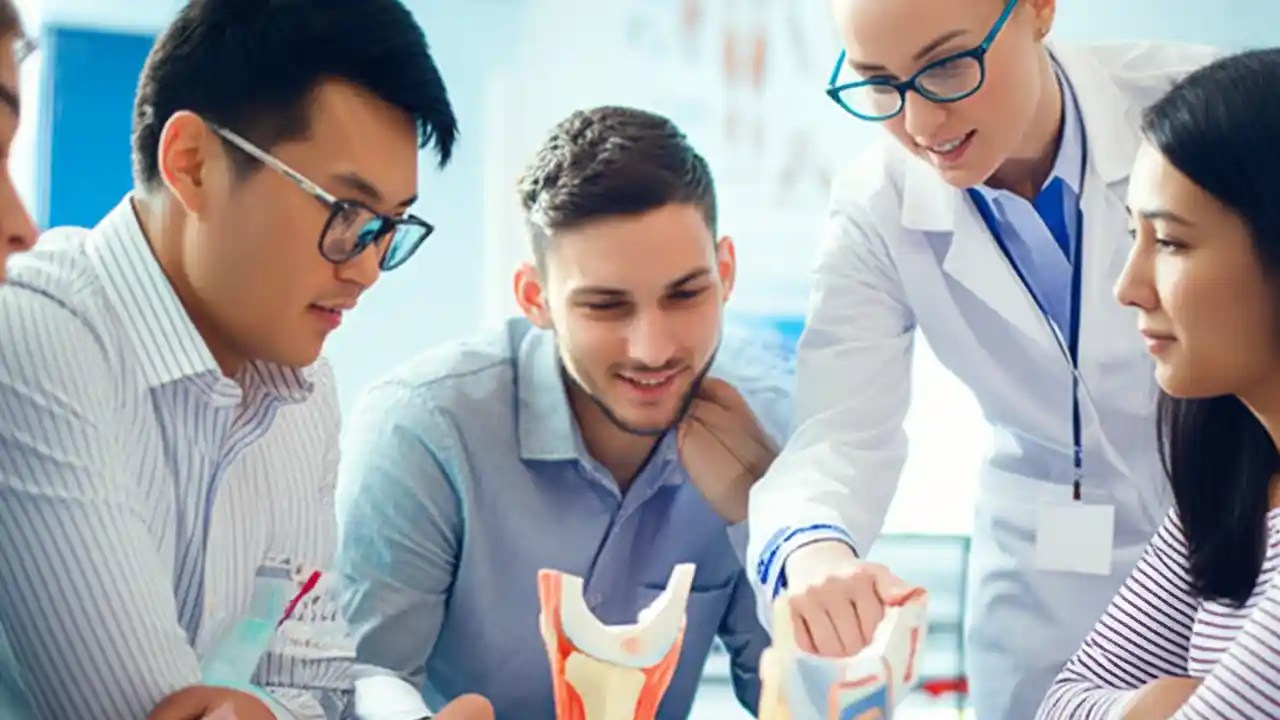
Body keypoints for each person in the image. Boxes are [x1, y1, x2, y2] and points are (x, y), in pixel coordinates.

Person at [0, 1, 493, 718]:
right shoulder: (40, 335)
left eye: (387, 229)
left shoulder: (303, 387)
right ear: (193, 165)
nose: (367, 270)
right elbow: (151, 711)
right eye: (346, 214)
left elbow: (316, 687)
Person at [744, 0, 1222, 715]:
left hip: (1239, 534)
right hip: (1044, 591)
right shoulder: (876, 205)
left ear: (1037, 9)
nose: (920, 124)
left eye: (946, 65)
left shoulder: (1199, 108)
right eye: (880, 83)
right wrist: (815, 551)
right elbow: (839, 429)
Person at [334, 105, 788, 719]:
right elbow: (363, 677)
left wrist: (763, 519)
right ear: (535, 298)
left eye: (686, 294)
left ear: (725, 272)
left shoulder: (770, 427)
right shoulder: (422, 430)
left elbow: (807, 696)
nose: (653, 349)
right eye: (606, 306)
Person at [1037, 47, 1280, 720]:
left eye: (1170, 243)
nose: (1128, 287)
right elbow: (1058, 704)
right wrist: (1145, 709)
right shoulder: (1235, 478)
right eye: (1131, 236)